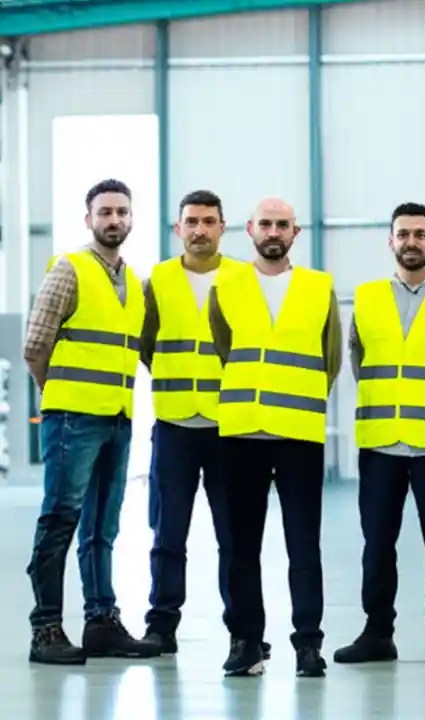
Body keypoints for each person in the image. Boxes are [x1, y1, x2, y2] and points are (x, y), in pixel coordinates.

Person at [22, 178, 161, 665]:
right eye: (105, 212)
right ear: (89, 219)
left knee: (102, 526)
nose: (114, 220)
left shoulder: (136, 283)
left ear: (131, 218)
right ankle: (46, 630)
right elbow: (35, 346)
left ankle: (101, 622)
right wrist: (57, 396)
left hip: (119, 419)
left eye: (122, 212)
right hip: (74, 418)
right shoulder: (70, 270)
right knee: (60, 519)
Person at [333, 202, 425, 667]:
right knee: (377, 544)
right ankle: (377, 632)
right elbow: (356, 358)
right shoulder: (367, 297)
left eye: (419, 234)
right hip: (381, 442)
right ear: (390, 241)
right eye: (403, 234)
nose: (411, 241)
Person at [209, 197, 341, 678]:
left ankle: (308, 643)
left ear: (295, 233)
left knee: (304, 544)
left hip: (299, 433)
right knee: (241, 545)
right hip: (242, 431)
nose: (273, 231)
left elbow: (331, 358)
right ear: (249, 229)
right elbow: (224, 344)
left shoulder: (317, 286)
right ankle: (246, 643)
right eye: (265, 223)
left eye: (282, 225)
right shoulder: (227, 284)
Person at [139, 190, 247, 655]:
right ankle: (161, 625)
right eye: (191, 221)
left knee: (235, 536)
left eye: (209, 221)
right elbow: (147, 345)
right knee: (168, 534)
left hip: (229, 427)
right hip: (175, 425)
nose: (200, 229)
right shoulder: (158, 280)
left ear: (223, 227)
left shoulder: (244, 278)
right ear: (177, 229)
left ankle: (243, 629)